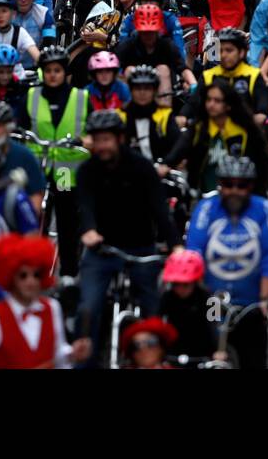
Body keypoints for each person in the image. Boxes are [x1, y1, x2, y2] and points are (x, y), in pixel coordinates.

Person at [73, 110, 172, 368]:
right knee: (88, 308)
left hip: (140, 249)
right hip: (102, 250)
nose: (102, 146)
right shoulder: (86, 170)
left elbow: (160, 210)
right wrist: (89, 230)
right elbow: (85, 205)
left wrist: (176, 246)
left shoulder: (141, 168)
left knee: (152, 311)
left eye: (106, 140)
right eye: (97, 140)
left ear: (119, 139)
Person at [184, 154, 268, 369]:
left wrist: (265, 299)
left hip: (250, 302)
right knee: (203, 356)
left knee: (253, 359)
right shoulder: (206, 208)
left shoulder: (264, 209)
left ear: (251, 186)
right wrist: (197, 296)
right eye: (228, 184)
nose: (234, 190)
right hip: (212, 299)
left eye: (242, 185)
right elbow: (194, 253)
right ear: (220, 185)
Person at [0, 233, 80, 368]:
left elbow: (58, 353)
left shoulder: (52, 307)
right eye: (23, 275)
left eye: (37, 275)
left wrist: (73, 353)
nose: (31, 281)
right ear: (11, 276)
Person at [164, 77, 268, 195]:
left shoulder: (245, 131)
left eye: (217, 101)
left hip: (239, 195)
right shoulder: (199, 128)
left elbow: (261, 165)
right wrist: (166, 165)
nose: (211, 104)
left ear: (228, 105)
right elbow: (180, 149)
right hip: (203, 195)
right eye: (208, 100)